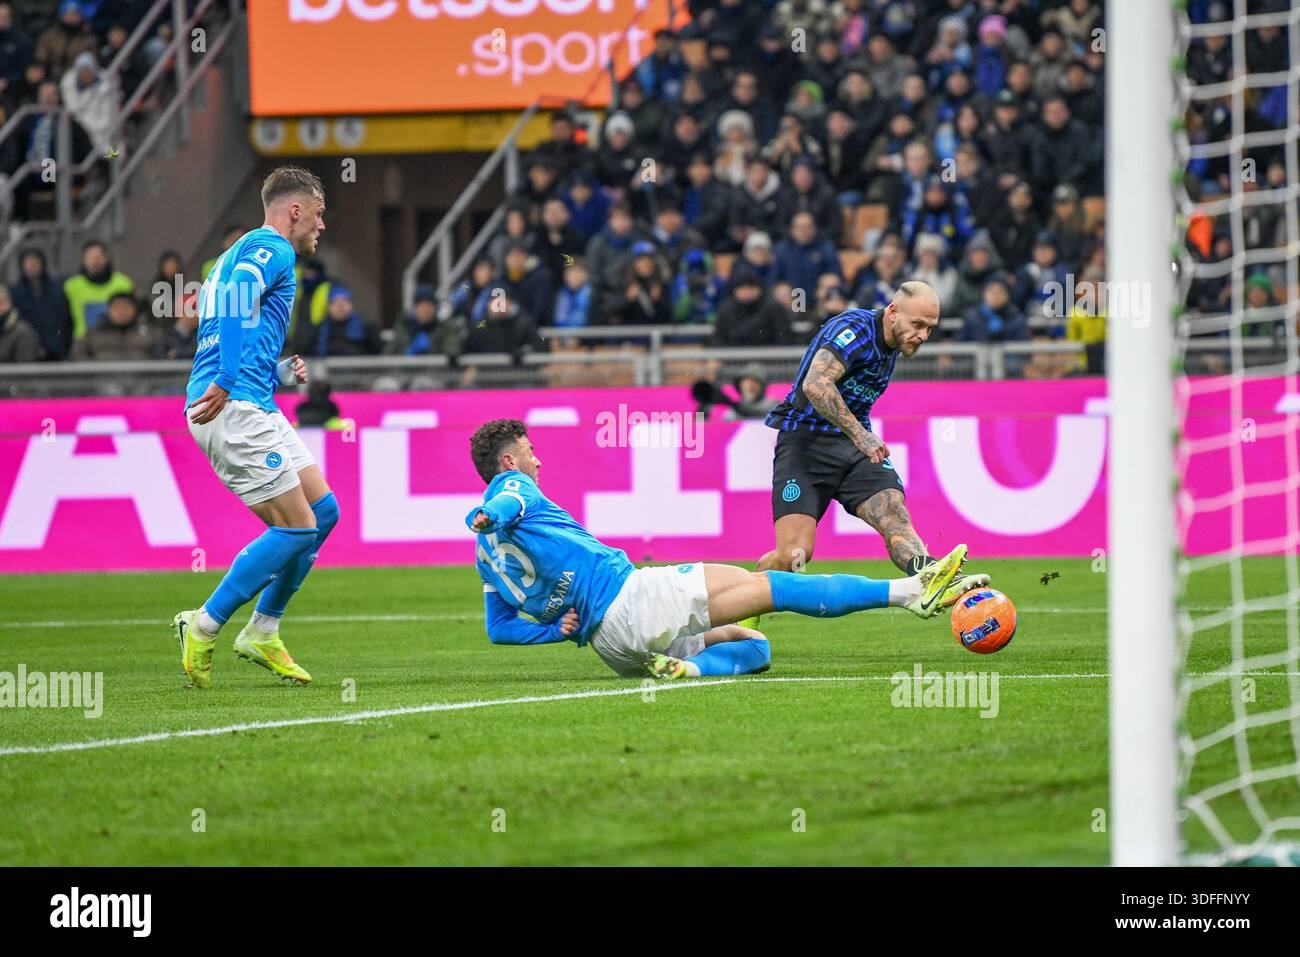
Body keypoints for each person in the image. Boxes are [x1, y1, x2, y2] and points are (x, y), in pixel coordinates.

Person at [465, 418, 970, 680]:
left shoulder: (484, 559)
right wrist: (486, 515)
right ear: (509, 461)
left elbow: (499, 629)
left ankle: (689, 669)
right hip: (633, 599)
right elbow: (506, 504)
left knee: (755, 646)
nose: (538, 460)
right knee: (774, 587)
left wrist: (554, 631)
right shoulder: (512, 489)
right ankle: (909, 593)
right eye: (530, 452)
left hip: (612, 649)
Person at [173, 166, 335, 690]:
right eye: (318, 214)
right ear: (295, 210)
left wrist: (275, 371)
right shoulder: (273, 248)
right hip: (233, 406)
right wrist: (226, 378)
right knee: (297, 528)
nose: (321, 225)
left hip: (250, 399)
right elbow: (237, 299)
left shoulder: (234, 253)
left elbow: (225, 322)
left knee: (324, 512)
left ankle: (263, 630)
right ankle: (204, 623)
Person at [756, 282, 990, 601]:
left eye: (930, 328)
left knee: (894, 514)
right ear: (892, 312)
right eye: (917, 324)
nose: (923, 335)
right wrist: (861, 435)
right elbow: (815, 384)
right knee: (793, 556)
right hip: (805, 445)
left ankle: (931, 576)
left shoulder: (893, 343)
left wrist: (858, 437)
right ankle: (744, 598)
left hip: (853, 449)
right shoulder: (855, 329)